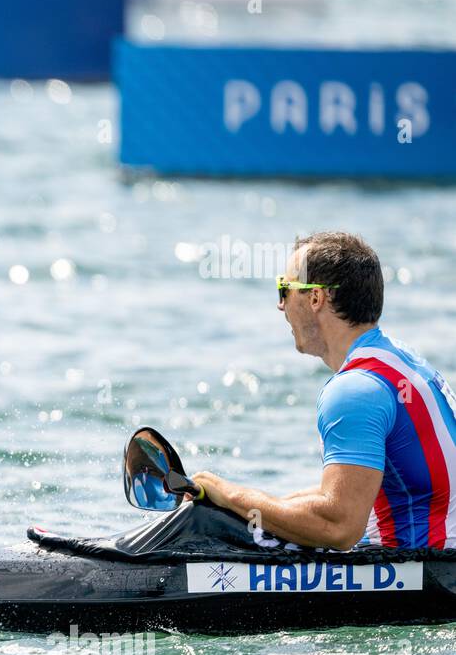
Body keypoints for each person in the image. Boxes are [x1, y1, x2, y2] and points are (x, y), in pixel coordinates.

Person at [190, 232, 456, 550]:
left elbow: (339, 528)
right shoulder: (402, 361)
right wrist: (243, 505)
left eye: (284, 289)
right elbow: (355, 492)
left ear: (316, 298)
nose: (279, 305)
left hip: (426, 578)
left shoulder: (355, 390)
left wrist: (231, 496)